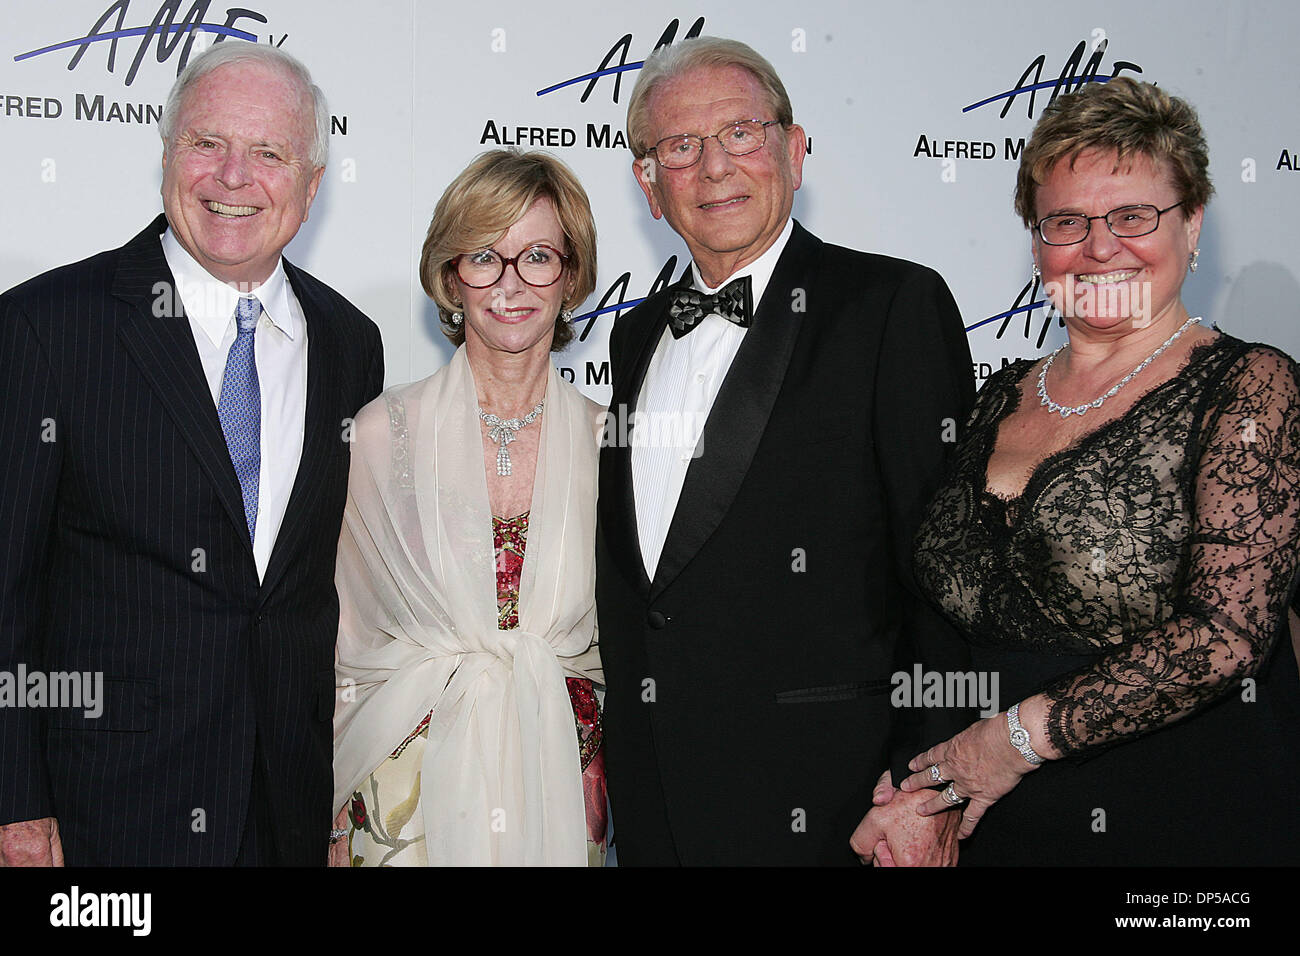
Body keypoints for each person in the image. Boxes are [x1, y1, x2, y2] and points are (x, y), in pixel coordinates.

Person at [0, 44, 384, 866]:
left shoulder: (350, 344)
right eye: (207, 143)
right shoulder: (48, 326)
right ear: (167, 155)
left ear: (312, 185)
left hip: (286, 807)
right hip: (104, 811)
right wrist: (14, 804)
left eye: (269, 152)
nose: (232, 176)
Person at [596, 36, 976, 865]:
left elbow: (947, 584)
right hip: (653, 799)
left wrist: (929, 791)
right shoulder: (635, 336)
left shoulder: (891, 306)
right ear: (648, 184)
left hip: (838, 803)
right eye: (679, 147)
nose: (714, 166)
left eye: (741, 132)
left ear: (795, 151)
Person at [903, 77, 1300, 865]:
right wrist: (921, 795)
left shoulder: (1252, 386)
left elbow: (1225, 637)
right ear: (1037, 242)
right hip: (999, 830)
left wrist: (1010, 743)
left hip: (1191, 828)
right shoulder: (996, 397)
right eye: (1067, 222)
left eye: (1133, 216)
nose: (1099, 245)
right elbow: (939, 633)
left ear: (1192, 225)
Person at [331, 149, 605, 867]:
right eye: (484, 256)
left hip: (562, 779)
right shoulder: (381, 434)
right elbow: (343, 637)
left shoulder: (610, 444)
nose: (511, 284)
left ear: (571, 275)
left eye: (538, 256)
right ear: (451, 276)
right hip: (400, 782)